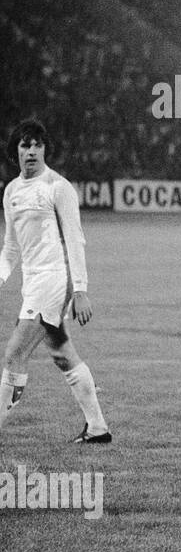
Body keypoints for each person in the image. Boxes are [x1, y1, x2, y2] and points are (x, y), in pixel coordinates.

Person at [0, 121, 112, 444]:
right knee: (62, 354)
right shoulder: (11, 192)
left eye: (37, 144)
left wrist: (80, 289)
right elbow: (11, 247)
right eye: (24, 145)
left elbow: (75, 239)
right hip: (32, 282)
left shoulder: (57, 187)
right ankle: (97, 427)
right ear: (16, 151)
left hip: (55, 278)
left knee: (14, 354)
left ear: (45, 149)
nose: (31, 151)